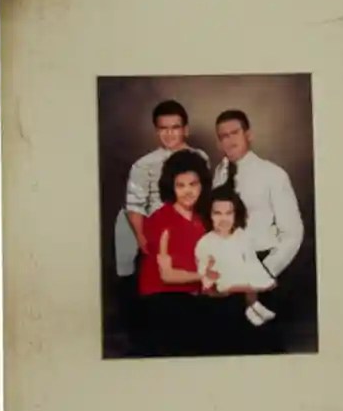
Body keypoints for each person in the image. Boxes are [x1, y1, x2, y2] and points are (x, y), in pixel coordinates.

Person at [210, 109, 304, 324]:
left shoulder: (273, 174)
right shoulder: (219, 173)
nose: (229, 140)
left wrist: (264, 272)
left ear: (248, 134)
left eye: (235, 133)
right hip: (227, 267)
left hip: (261, 262)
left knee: (261, 341)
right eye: (223, 136)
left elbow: (293, 233)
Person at [113, 100, 210, 279]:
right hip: (160, 236)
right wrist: (143, 241)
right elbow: (135, 207)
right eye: (163, 128)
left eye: (175, 127)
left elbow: (205, 198)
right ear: (156, 130)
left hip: (193, 234)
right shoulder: (143, 165)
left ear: (185, 130)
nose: (169, 133)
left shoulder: (200, 157)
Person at [131, 149, 213, 356]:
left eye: (193, 184)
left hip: (193, 296)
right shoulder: (161, 220)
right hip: (163, 300)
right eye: (180, 185)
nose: (188, 191)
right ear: (171, 187)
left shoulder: (201, 219)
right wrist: (204, 277)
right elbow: (167, 275)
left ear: (202, 185)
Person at [195, 186, 277, 327]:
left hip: (242, 278)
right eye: (217, 213)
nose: (223, 219)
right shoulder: (205, 242)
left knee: (254, 274)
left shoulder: (241, 235)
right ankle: (251, 307)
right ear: (209, 215)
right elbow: (204, 276)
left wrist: (259, 277)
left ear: (236, 214)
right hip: (222, 285)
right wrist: (209, 273)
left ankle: (253, 307)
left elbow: (251, 260)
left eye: (228, 213)